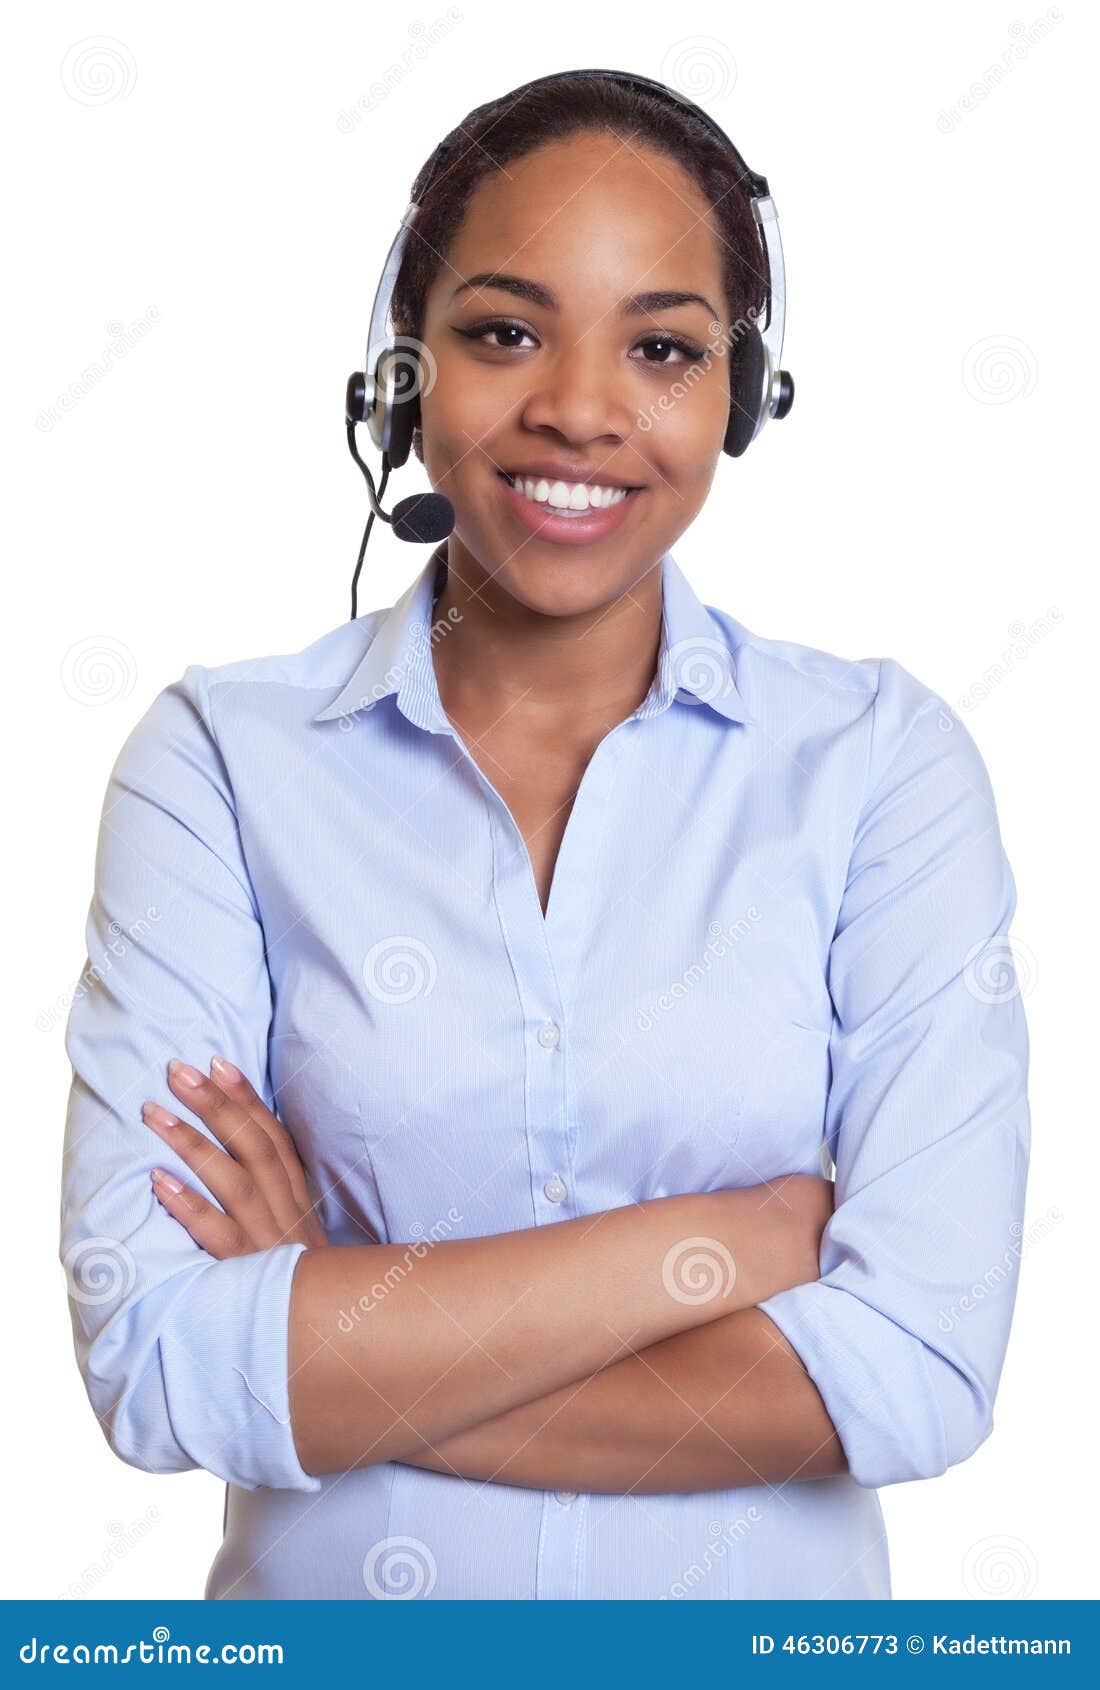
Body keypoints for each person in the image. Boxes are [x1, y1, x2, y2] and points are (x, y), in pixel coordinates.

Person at [60, 71, 1030, 1601]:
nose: (579, 405)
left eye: (661, 348)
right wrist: (723, 1241)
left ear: (743, 394)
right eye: (504, 330)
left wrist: (338, 1324)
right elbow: (164, 1361)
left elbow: (914, 1369)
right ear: (402, 377)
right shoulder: (223, 766)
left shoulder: (880, 770)